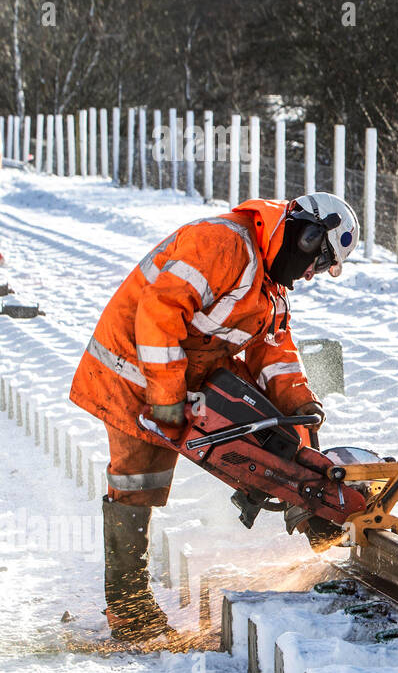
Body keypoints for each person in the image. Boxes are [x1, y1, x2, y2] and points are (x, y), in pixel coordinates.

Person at [69, 192, 359, 641]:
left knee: (276, 430)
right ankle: (129, 611)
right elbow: (159, 312)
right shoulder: (222, 244)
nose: (308, 275)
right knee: (137, 484)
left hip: (185, 370)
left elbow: (274, 349)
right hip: (131, 371)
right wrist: (166, 396)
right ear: (305, 237)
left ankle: (314, 512)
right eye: (314, 263)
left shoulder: (270, 283)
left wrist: (297, 402)